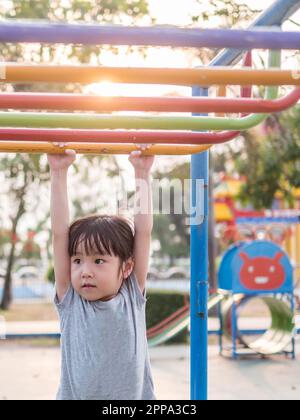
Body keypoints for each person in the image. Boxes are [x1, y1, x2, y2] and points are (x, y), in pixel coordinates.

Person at [47, 145, 156, 400]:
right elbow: (59, 233)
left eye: (98, 261)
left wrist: (142, 174)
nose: (85, 271)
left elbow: (143, 232)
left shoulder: (132, 294)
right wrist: (58, 172)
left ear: (126, 267)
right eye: (77, 261)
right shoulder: (71, 300)